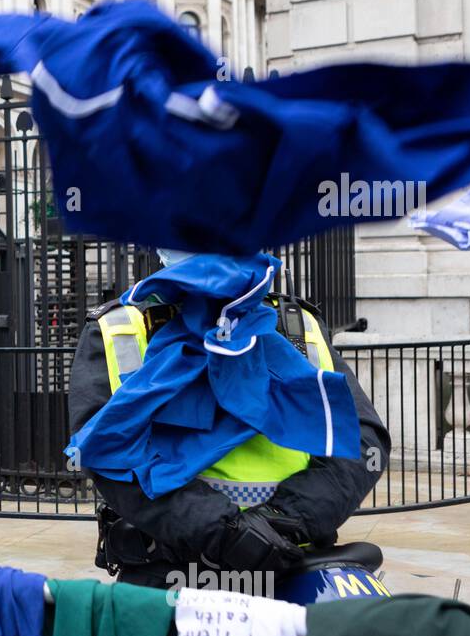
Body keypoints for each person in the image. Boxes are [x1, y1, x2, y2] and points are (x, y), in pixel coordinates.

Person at [69, 248, 390, 590]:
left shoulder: (300, 325)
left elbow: (363, 440)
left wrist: (285, 517)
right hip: (169, 577)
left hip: (291, 566)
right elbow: (101, 451)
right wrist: (224, 531)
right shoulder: (118, 326)